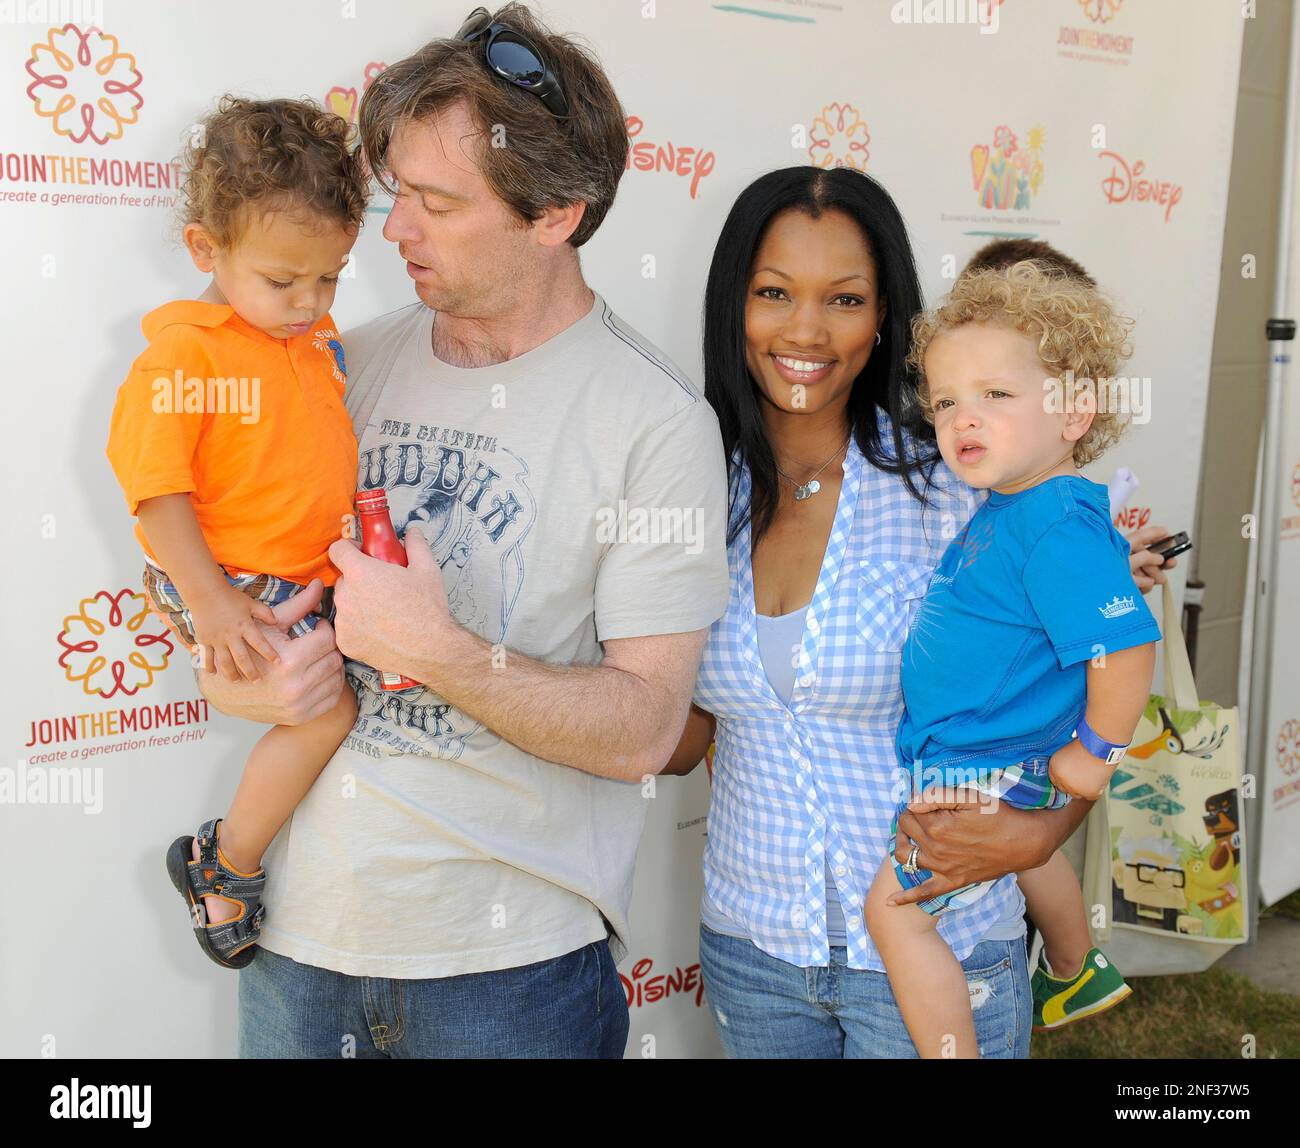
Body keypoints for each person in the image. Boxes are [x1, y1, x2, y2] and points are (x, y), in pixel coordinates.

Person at [192, 3, 730, 1058]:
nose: (393, 231)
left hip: (510, 977)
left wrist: (438, 651)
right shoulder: (334, 363)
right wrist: (243, 670)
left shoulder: (656, 423)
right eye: (398, 196)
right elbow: (233, 622)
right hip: (297, 942)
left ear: (556, 213)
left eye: (435, 204)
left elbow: (643, 731)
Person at [662, 167, 1175, 1059]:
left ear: (886, 315)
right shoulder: (697, 488)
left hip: (941, 943)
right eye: (774, 292)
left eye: (847, 298)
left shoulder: (964, 486)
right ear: (731, 305)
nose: (807, 331)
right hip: (753, 952)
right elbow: (683, 732)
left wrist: (1037, 832)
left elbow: (1088, 686)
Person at [863, 261, 1160, 1057]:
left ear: (1074, 413)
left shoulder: (1052, 522)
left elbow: (1126, 644)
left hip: (986, 765)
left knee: (893, 911)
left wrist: (1095, 754)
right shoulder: (1014, 509)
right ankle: (1072, 965)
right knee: (1013, 869)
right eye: (948, 400)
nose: (966, 417)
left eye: (996, 395)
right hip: (971, 759)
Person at [105, 96, 368, 969]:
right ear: (206, 252)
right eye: (282, 280)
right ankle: (225, 862)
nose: (308, 301)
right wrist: (213, 604)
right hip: (227, 575)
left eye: (328, 278)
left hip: (304, 571)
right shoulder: (188, 356)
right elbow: (155, 492)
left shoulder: (311, 337)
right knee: (325, 712)